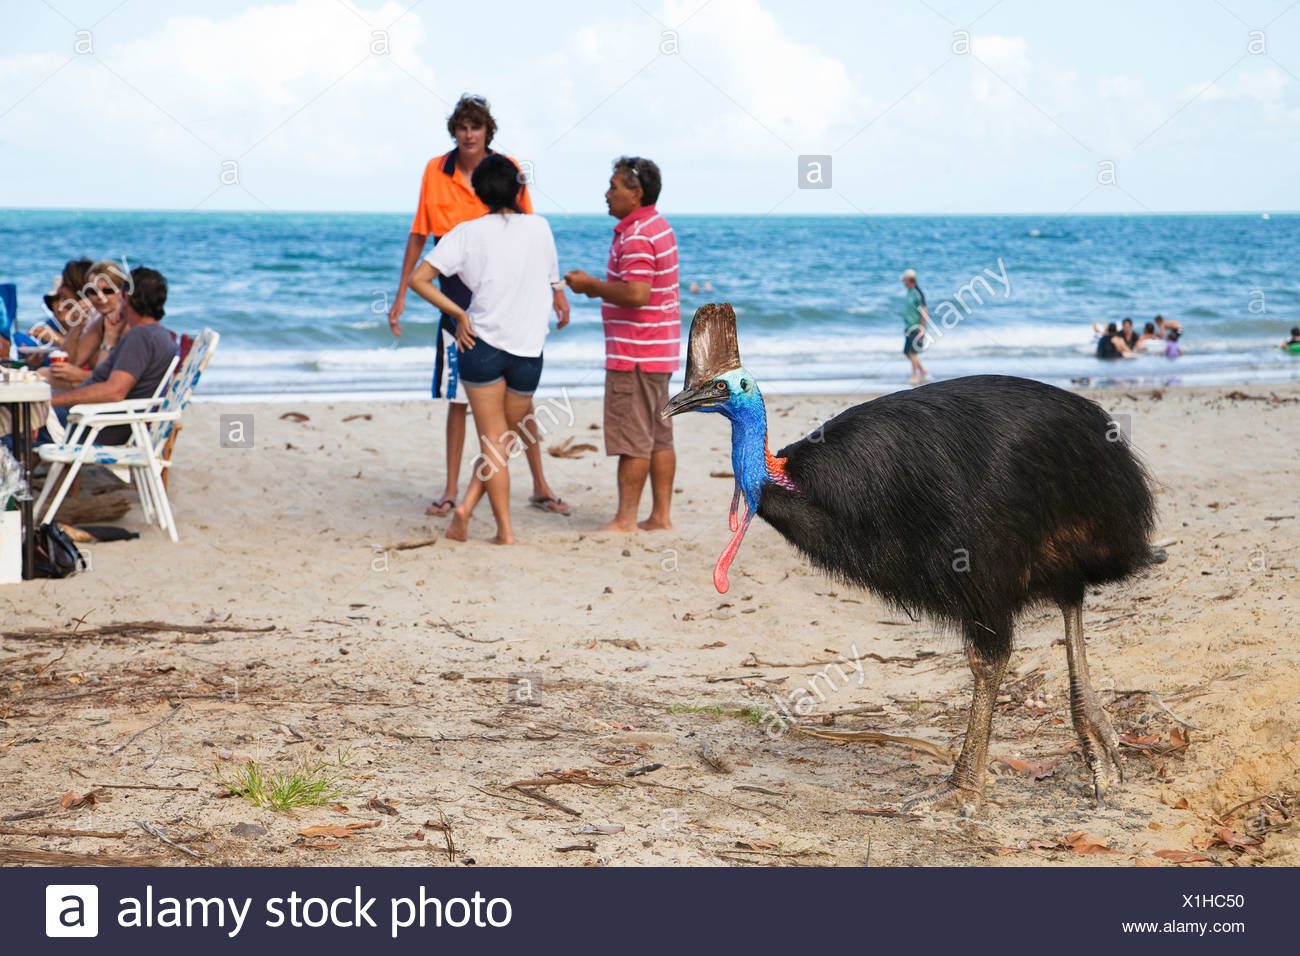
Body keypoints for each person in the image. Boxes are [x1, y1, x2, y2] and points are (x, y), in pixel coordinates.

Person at [388, 94, 568, 517]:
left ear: (488, 131)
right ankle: (451, 490)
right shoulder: (436, 170)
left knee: (518, 405)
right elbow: (419, 233)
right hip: (451, 289)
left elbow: (532, 237)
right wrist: (400, 294)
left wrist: (555, 289)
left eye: (476, 126)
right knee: (457, 397)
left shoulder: (503, 172)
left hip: (500, 288)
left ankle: (541, 484)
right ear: (454, 131)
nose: (468, 134)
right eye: (462, 127)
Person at [565, 157, 680, 533]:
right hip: (658, 351)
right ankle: (660, 517)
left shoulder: (637, 235)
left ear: (636, 193)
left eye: (614, 187)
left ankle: (625, 519)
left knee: (634, 437)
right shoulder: (658, 226)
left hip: (635, 353)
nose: (607, 194)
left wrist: (590, 286)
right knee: (659, 436)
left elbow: (636, 293)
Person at [50, 267, 176, 445]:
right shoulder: (159, 335)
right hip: (102, 420)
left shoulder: (139, 337)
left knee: (21, 417)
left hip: (95, 426)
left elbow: (114, 391)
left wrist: (53, 400)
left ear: (126, 298)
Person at [901, 268, 928, 384]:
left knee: (912, 353)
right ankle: (923, 371)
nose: (903, 282)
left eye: (904, 280)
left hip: (917, 329)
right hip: (909, 327)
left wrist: (922, 328)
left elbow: (924, 311)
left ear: (909, 280)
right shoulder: (909, 292)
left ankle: (914, 375)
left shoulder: (917, 293)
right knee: (907, 352)